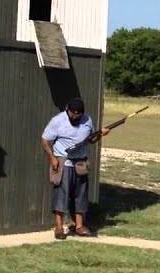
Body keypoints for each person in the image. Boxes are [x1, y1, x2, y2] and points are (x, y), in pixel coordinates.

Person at [40, 97, 109, 239]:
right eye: (73, 114)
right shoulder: (58, 121)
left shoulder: (87, 120)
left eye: (79, 115)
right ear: (68, 111)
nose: (76, 117)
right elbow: (45, 140)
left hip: (81, 162)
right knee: (61, 195)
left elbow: (91, 139)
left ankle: (79, 226)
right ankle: (59, 228)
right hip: (63, 162)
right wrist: (52, 158)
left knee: (81, 195)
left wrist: (100, 135)